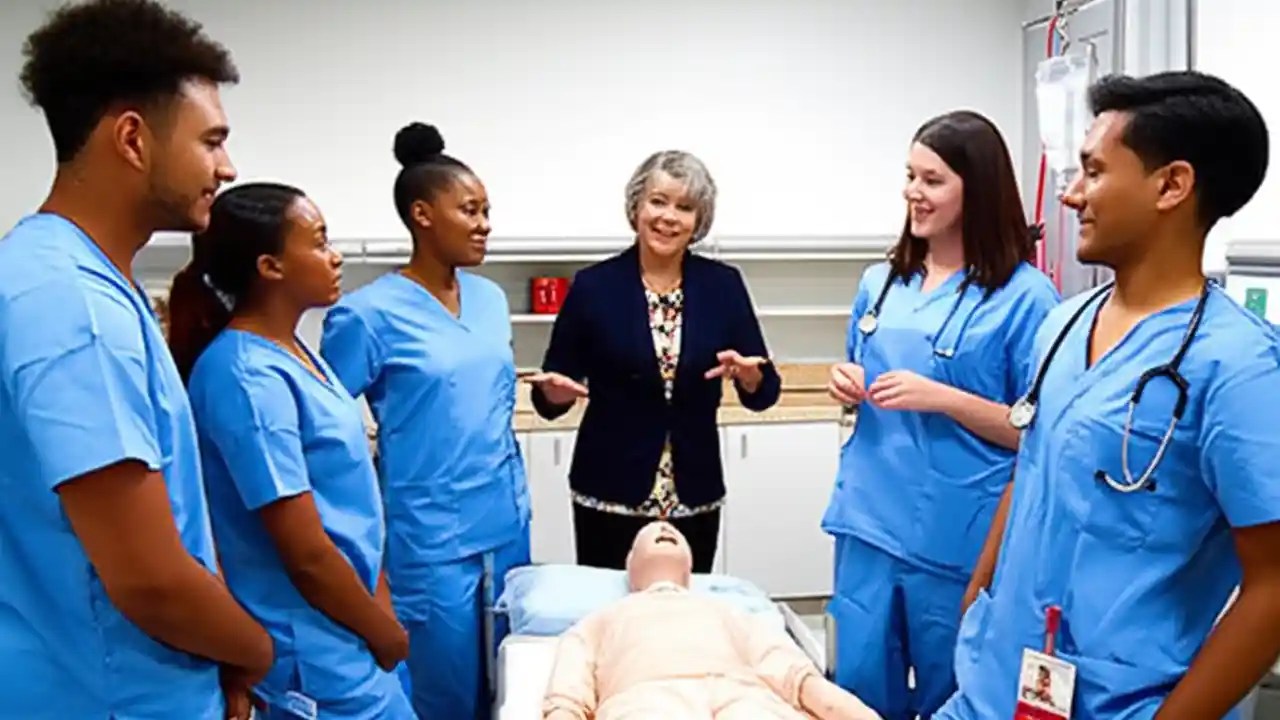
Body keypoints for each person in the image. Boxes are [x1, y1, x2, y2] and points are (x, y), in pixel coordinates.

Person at [935, 71, 1280, 720]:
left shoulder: (1239, 367)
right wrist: (979, 594)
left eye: (1093, 172)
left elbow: (1275, 584)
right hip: (995, 683)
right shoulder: (1063, 322)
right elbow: (1033, 460)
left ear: (1171, 185)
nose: (1070, 196)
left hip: (1122, 702)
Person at [0, 2, 274, 718]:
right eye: (211, 141)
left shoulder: (61, 275)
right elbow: (149, 579)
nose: (227, 166)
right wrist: (256, 651)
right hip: (112, 692)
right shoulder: (72, 306)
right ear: (132, 138)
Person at [823, 110, 1061, 719]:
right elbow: (860, 369)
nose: (913, 193)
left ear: (974, 189)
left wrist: (945, 398)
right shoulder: (881, 282)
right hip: (868, 523)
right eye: (910, 176)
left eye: (932, 180)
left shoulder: (1025, 297)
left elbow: (1035, 430)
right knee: (854, 689)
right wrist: (845, 382)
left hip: (957, 537)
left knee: (953, 692)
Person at [167, 182, 416, 719]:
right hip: (312, 649)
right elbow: (305, 554)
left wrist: (380, 611)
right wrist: (384, 634)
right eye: (320, 241)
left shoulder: (296, 352)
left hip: (349, 631)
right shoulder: (246, 377)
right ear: (270, 266)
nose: (336, 255)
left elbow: (350, 510)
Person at [320, 122, 531, 720]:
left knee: (513, 678)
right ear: (422, 215)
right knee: (443, 691)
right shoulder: (367, 315)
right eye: (470, 209)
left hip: (506, 520)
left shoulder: (489, 299)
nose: (485, 223)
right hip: (428, 535)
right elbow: (326, 426)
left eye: (488, 210)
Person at [527, 150, 781, 573]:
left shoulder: (724, 285)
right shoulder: (593, 286)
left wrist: (753, 378)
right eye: (658, 201)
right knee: (611, 615)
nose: (669, 217)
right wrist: (552, 395)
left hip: (693, 492)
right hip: (608, 489)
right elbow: (553, 391)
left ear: (699, 221)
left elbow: (764, 390)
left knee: (683, 617)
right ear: (635, 207)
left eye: (684, 207)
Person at [542, 521, 883, 720]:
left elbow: (800, 680)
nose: (664, 526)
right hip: (647, 698)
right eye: (646, 535)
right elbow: (566, 702)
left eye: (675, 533)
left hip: (742, 695)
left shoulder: (730, 612)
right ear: (629, 565)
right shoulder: (598, 621)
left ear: (692, 568)